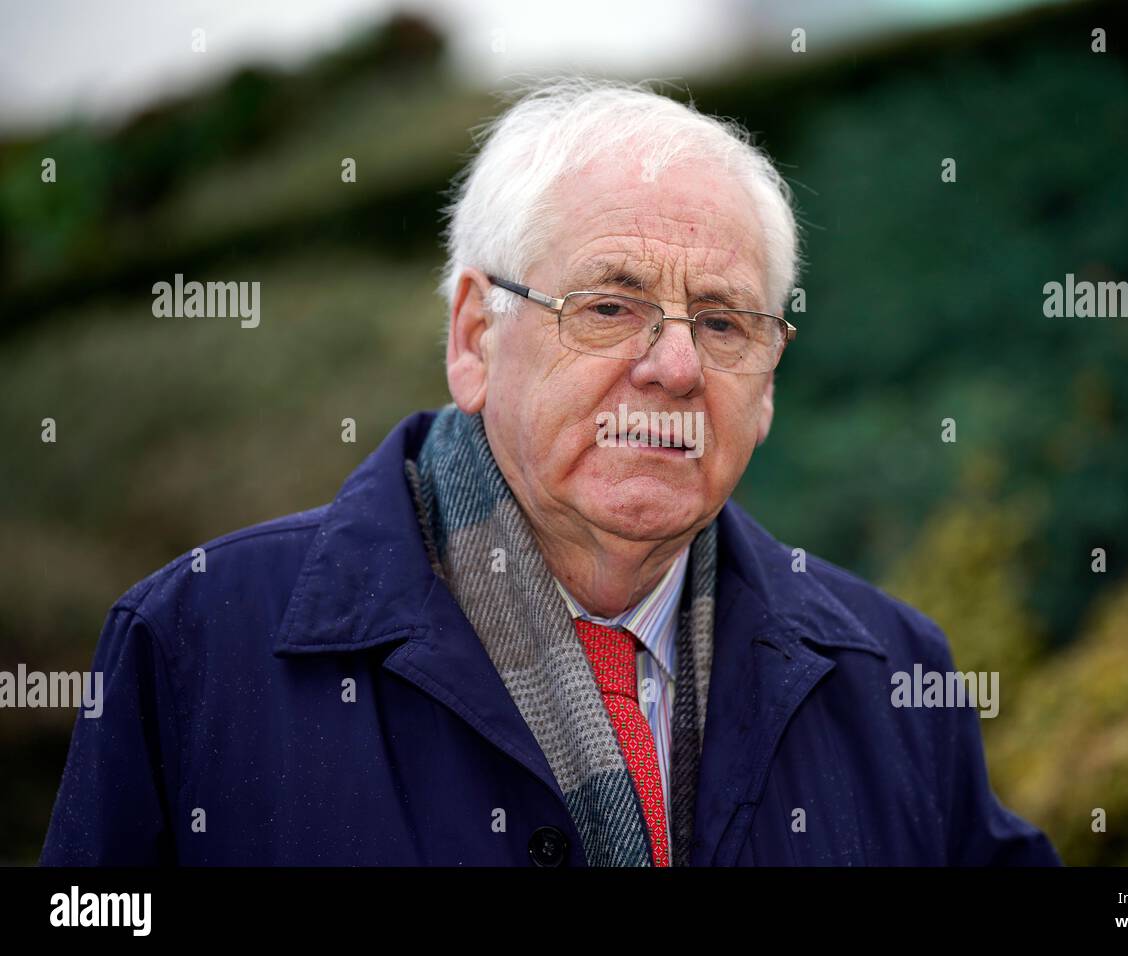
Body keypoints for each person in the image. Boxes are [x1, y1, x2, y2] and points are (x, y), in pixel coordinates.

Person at [41, 76, 1060, 866]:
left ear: (771, 375)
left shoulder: (889, 676)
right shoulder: (194, 649)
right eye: (609, 306)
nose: (673, 365)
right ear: (474, 336)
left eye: (721, 320)